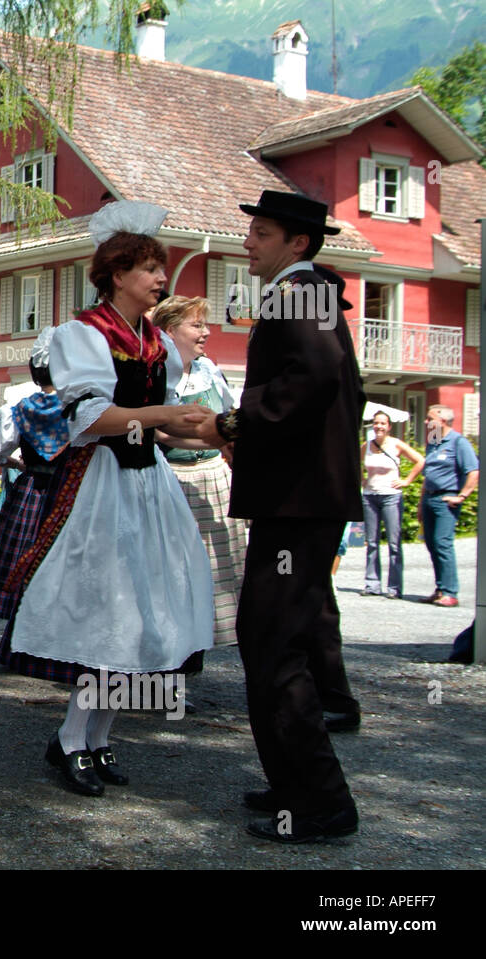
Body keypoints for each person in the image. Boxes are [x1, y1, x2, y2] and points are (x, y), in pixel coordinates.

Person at [0, 201, 215, 798]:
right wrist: (166, 414)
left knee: (144, 614)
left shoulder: (158, 345)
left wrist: (215, 429)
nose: (160, 280)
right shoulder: (84, 335)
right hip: (100, 485)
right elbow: (93, 419)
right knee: (104, 613)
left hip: (148, 486)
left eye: (160, 269)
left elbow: (162, 429)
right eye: (148, 269)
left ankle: (98, 738)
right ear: (117, 275)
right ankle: (71, 738)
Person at [195, 189, 365, 842]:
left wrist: (237, 420)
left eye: (261, 233)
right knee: (270, 640)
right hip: (302, 497)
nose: (248, 243)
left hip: (299, 501)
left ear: (298, 242)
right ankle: (295, 786)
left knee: (273, 646)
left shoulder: (301, 293)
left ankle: (323, 803)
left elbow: (315, 378)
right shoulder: (309, 292)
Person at [152, 295, 247, 646]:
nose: (205, 332)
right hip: (174, 478)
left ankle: (200, 649)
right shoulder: (158, 374)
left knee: (221, 573)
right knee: (175, 574)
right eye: (196, 325)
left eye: (204, 324)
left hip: (215, 480)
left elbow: (228, 419)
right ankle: (173, 661)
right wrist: (210, 440)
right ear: (170, 330)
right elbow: (156, 431)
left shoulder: (210, 370)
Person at [0, 328, 69, 618]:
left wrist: (19, 464)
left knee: (20, 556)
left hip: (31, 491)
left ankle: (19, 633)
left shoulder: (21, 409)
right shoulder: (78, 408)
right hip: (69, 490)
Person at [418, 404, 478, 607]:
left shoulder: (458, 442)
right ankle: (441, 588)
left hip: (446, 500)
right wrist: (421, 503)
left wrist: (461, 496)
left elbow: (473, 471)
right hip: (429, 498)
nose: (426, 422)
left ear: (442, 421)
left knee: (443, 544)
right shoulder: (433, 440)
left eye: (429, 418)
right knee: (432, 544)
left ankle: (451, 593)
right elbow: (428, 474)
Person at [360, 410, 423, 598]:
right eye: (376, 423)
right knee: (372, 542)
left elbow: (420, 461)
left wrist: (406, 481)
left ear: (389, 426)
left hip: (391, 497)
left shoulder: (396, 444)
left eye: (383, 423)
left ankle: (394, 587)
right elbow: (354, 462)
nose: (379, 426)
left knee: (394, 543)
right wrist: (362, 479)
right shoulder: (367, 446)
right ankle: (372, 584)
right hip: (370, 496)